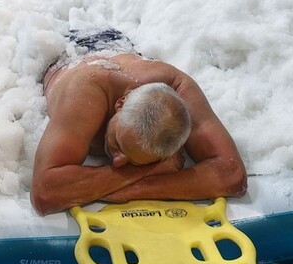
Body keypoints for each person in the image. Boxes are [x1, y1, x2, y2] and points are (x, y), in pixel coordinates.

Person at [31, 30, 247, 214]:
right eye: (117, 143)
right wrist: (145, 171)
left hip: (117, 46)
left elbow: (232, 174)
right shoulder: (85, 95)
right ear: (121, 103)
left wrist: (133, 189)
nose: (116, 163)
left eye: (134, 162)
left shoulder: (178, 87)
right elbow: (45, 193)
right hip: (67, 52)